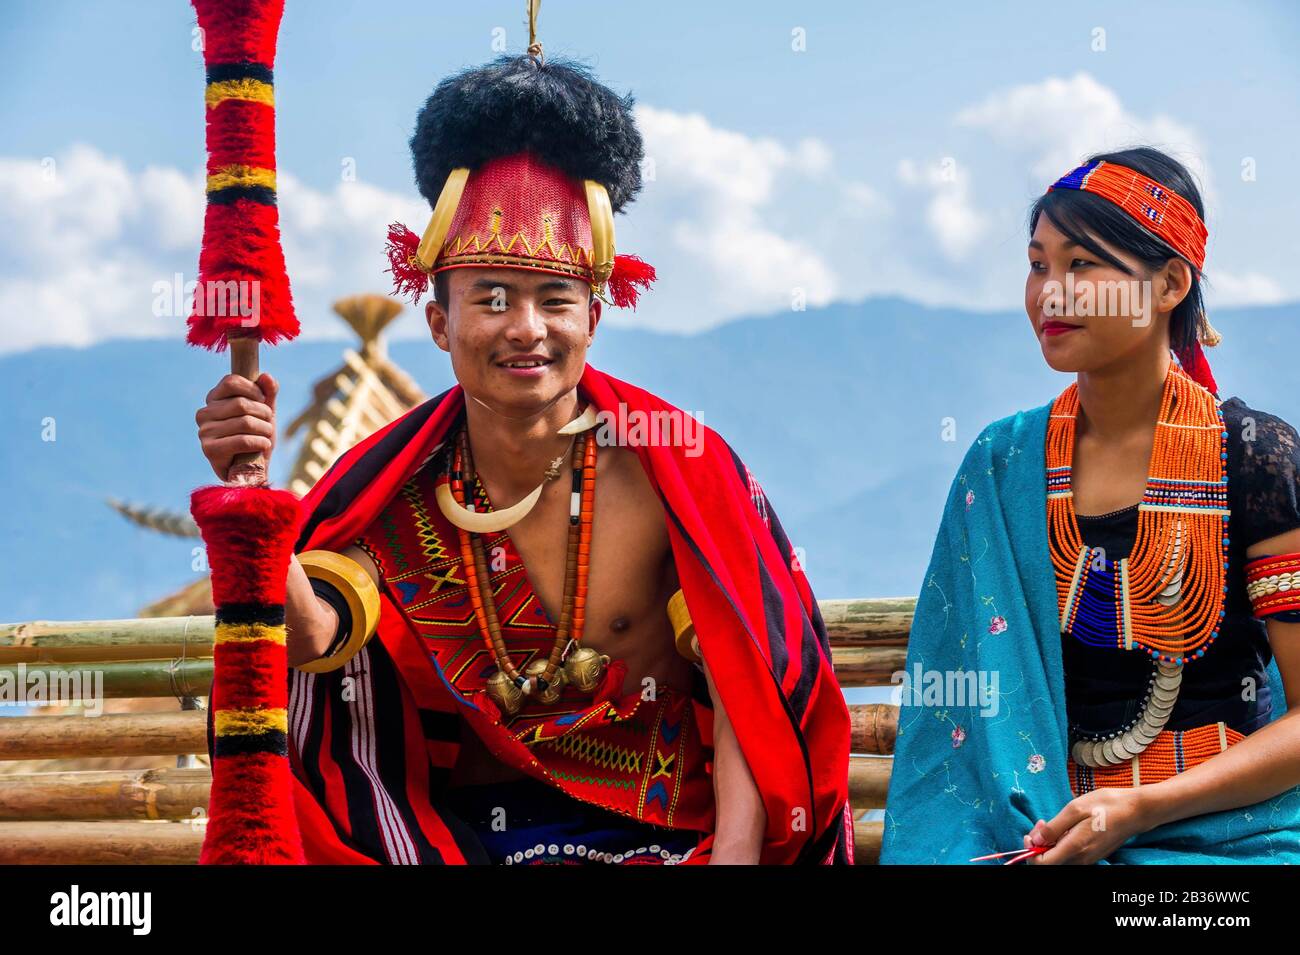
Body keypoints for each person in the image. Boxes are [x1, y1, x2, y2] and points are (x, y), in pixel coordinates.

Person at [196, 49, 852, 865]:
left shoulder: (675, 469)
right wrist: (257, 505)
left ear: (594, 319)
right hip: (462, 847)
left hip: (666, 842)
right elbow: (313, 648)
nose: (526, 329)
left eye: (554, 299)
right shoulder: (392, 488)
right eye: (493, 298)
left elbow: (749, 685)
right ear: (439, 323)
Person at [882, 146, 1300, 864]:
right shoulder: (1003, 462)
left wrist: (1139, 807)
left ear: (1169, 283)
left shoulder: (1253, 456)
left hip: (1225, 839)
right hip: (1040, 832)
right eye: (1038, 263)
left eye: (1082, 265)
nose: (1050, 291)